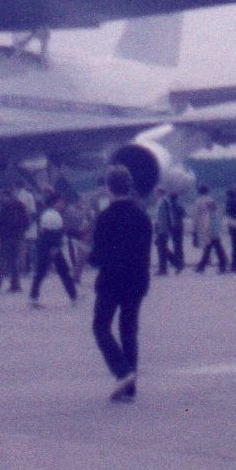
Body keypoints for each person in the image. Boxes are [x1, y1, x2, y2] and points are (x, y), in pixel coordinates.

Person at [88, 166, 152, 404]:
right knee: (129, 331)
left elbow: (99, 256)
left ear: (108, 188)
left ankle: (122, 371)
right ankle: (130, 387)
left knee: (101, 327)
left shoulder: (105, 217)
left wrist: (90, 257)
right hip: (136, 280)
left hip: (111, 281)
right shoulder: (141, 216)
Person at [29, 195, 77, 308]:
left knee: (42, 272)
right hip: (51, 246)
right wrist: (55, 246)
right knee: (60, 271)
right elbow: (53, 233)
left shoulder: (48, 214)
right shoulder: (52, 215)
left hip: (47, 245)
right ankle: (73, 295)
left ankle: (33, 296)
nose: (63, 205)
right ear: (55, 203)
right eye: (61, 202)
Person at [0, 191, 28, 292]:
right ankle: (15, 284)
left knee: (0, 261)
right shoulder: (20, 207)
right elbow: (26, 221)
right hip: (17, 237)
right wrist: (21, 232)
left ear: (6, 196)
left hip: (5, 238)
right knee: (14, 262)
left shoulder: (3, 208)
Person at [192, 185, 228, 274]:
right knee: (212, 246)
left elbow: (196, 216)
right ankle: (202, 266)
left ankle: (221, 264)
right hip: (213, 226)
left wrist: (194, 228)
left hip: (204, 226)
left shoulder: (199, 201)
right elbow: (215, 213)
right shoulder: (211, 201)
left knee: (212, 246)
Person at [152, 188, 184, 275]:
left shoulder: (163, 202)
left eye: (156, 192)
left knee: (162, 248)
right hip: (161, 228)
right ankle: (165, 268)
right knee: (162, 248)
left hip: (163, 229)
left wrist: (163, 230)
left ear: (159, 192)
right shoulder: (162, 202)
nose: (154, 194)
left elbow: (165, 218)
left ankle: (175, 264)